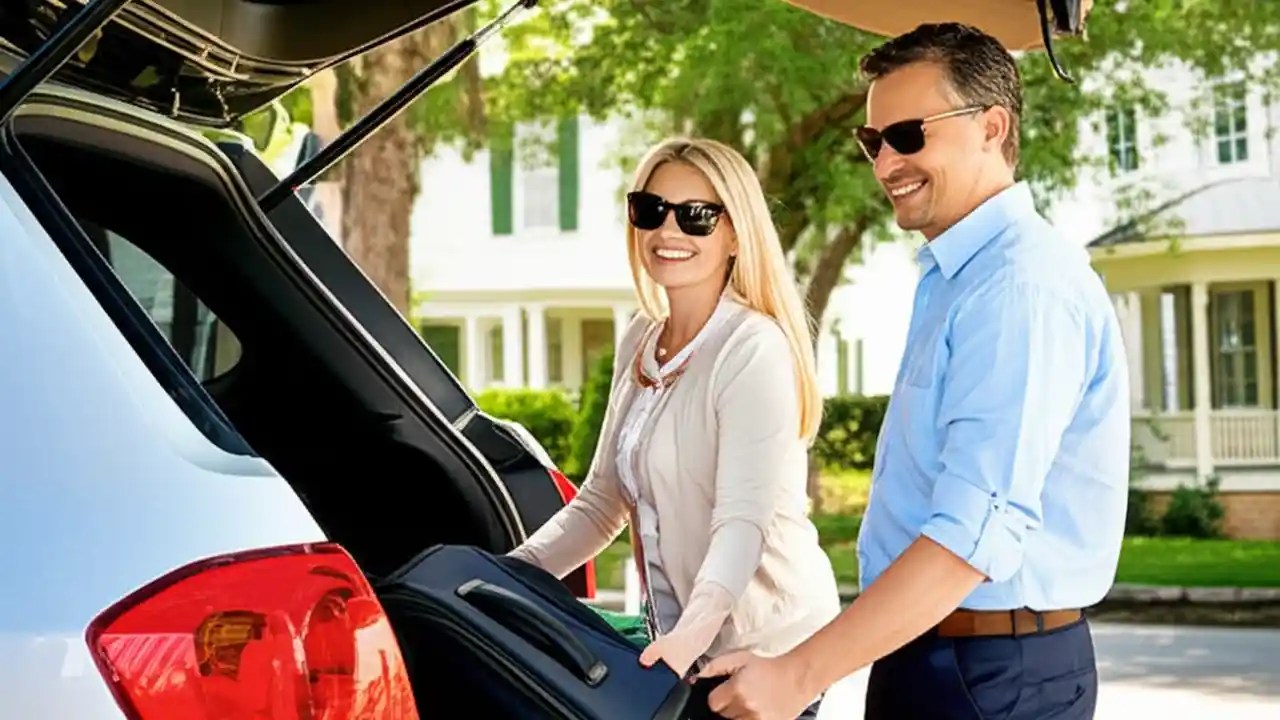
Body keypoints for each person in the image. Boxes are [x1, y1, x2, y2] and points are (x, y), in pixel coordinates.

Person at [700, 22, 1130, 720]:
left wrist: (797, 675)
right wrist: (801, 658)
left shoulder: (1017, 289)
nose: (885, 164)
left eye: (908, 135)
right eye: (873, 141)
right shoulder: (959, 278)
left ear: (992, 127)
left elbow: (970, 537)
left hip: (991, 677)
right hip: (939, 659)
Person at [506, 136, 841, 719]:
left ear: (736, 233)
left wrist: (683, 647)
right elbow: (600, 503)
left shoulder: (751, 348)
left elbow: (741, 526)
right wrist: (504, 579)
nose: (669, 231)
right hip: (685, 649)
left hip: (763, 654)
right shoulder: (642, 338)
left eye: (697, 216)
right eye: (651, 210)